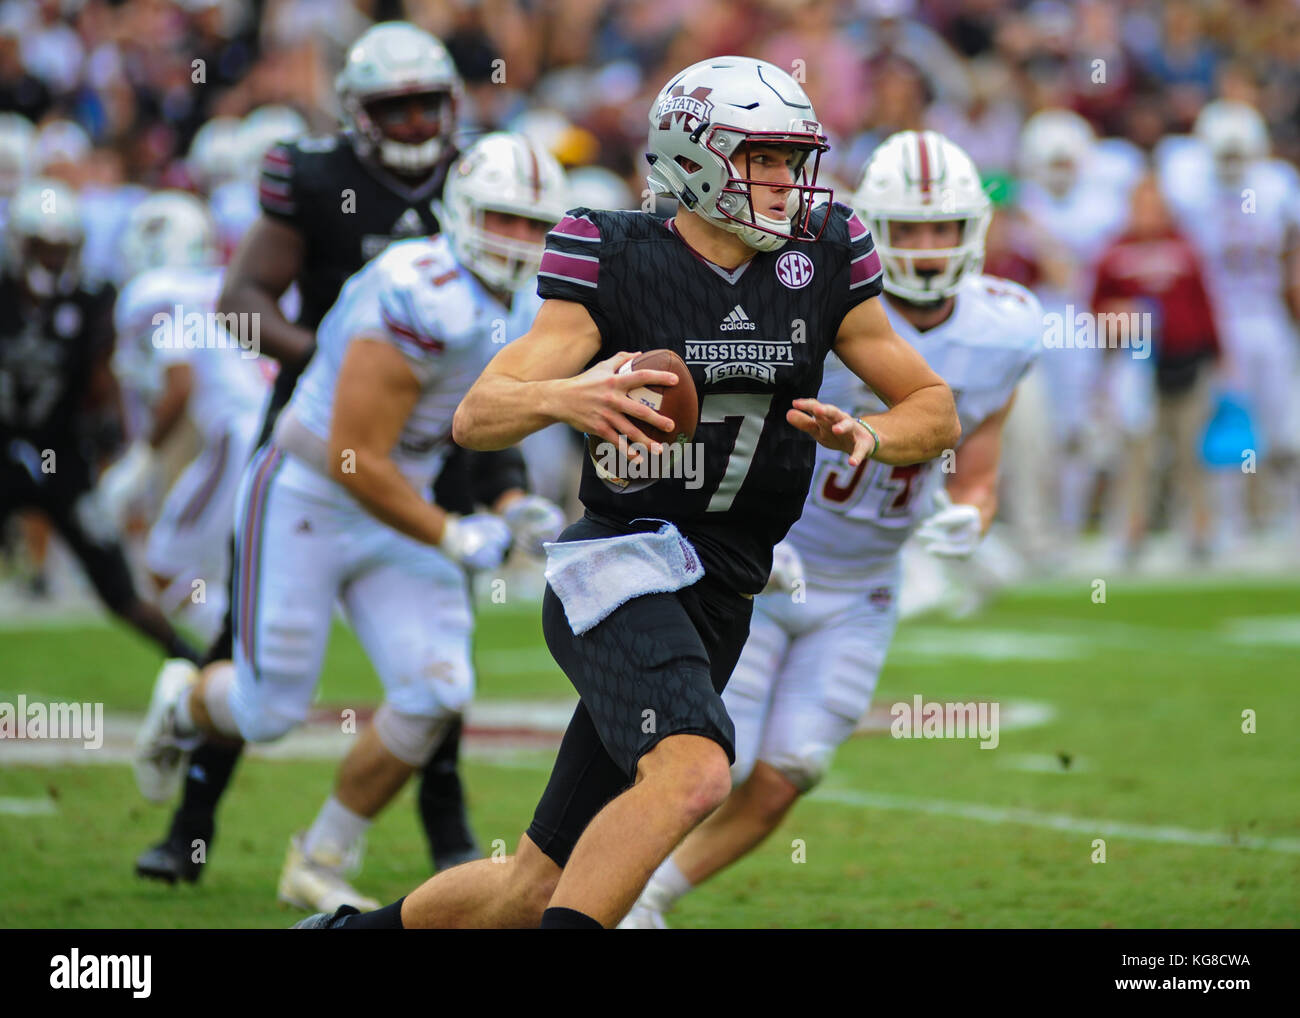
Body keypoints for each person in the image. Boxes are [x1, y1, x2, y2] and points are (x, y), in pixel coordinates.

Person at [294, 55, 960, 930]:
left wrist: (870, 434)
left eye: (793, 159)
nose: (784, 180)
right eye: (761, 158)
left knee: (532, 884)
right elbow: (477, 415)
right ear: (693, 157)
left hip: (726, 583)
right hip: (620, 566)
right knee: (696, 772)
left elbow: (934, 408)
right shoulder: (614, 253)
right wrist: (563, 396)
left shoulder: (824, 251)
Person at [133, 131, 570, 913]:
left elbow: (476, 418)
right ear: (460, 211)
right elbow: (353, 457)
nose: (518, 240)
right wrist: (450, 533)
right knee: (267, 712)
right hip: (311, 493)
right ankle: (185, 700)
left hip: (403, 494)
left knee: (437, 689)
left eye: (534, 224)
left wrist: (511, 505)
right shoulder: (414, 288)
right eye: (502, 218)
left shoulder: (531, 299)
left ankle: (321, 855)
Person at [621, 131, 1040, 927]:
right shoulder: (818, 298)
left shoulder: (1006, 328)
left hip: (864, 587)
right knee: (708, 763)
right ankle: (583, 883)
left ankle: (649, 899)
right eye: (907, 228)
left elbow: (978, 465)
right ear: (872, 227)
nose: (925, 247)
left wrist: (972, 514)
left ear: (975, 231)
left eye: (943, 228)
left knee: (794, 768)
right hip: (766, 566)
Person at [0, 178, 201, 663]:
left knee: (119, 589)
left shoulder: (92, 299)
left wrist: (117, 445)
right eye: (44, 248)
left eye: (61, 249)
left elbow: (105, 378)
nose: (53, 259)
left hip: (64, 457)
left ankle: (193, 660)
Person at [101, 191, 270, 642]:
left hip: (237, 439)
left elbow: (180, 383)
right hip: (273, 435)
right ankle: (241, 654)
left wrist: (140, 460)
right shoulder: (226, 283)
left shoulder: (154, 295)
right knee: (227, 570)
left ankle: (242, 655)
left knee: (165, 567)